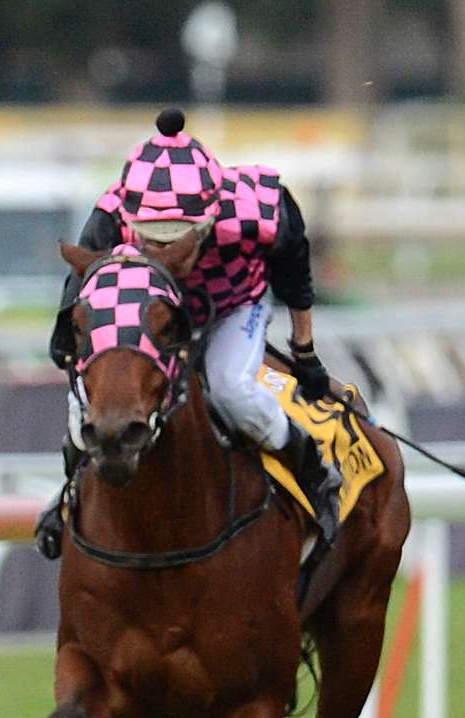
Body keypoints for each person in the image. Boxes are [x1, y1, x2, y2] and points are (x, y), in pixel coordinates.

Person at [36, 108, 340, 559]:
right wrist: (68, 353)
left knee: (232, 390)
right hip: (147, 311)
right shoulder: (108, 217)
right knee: (88, 404)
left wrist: (306, 351)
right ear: (129, 219)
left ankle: (314, 470)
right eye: (151, 239)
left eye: (178, 238)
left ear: (210, 217)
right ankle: (65, 496)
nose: (164, 252)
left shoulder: (263, 209)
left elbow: (295, 278)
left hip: (234, 303)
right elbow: (78, 296)